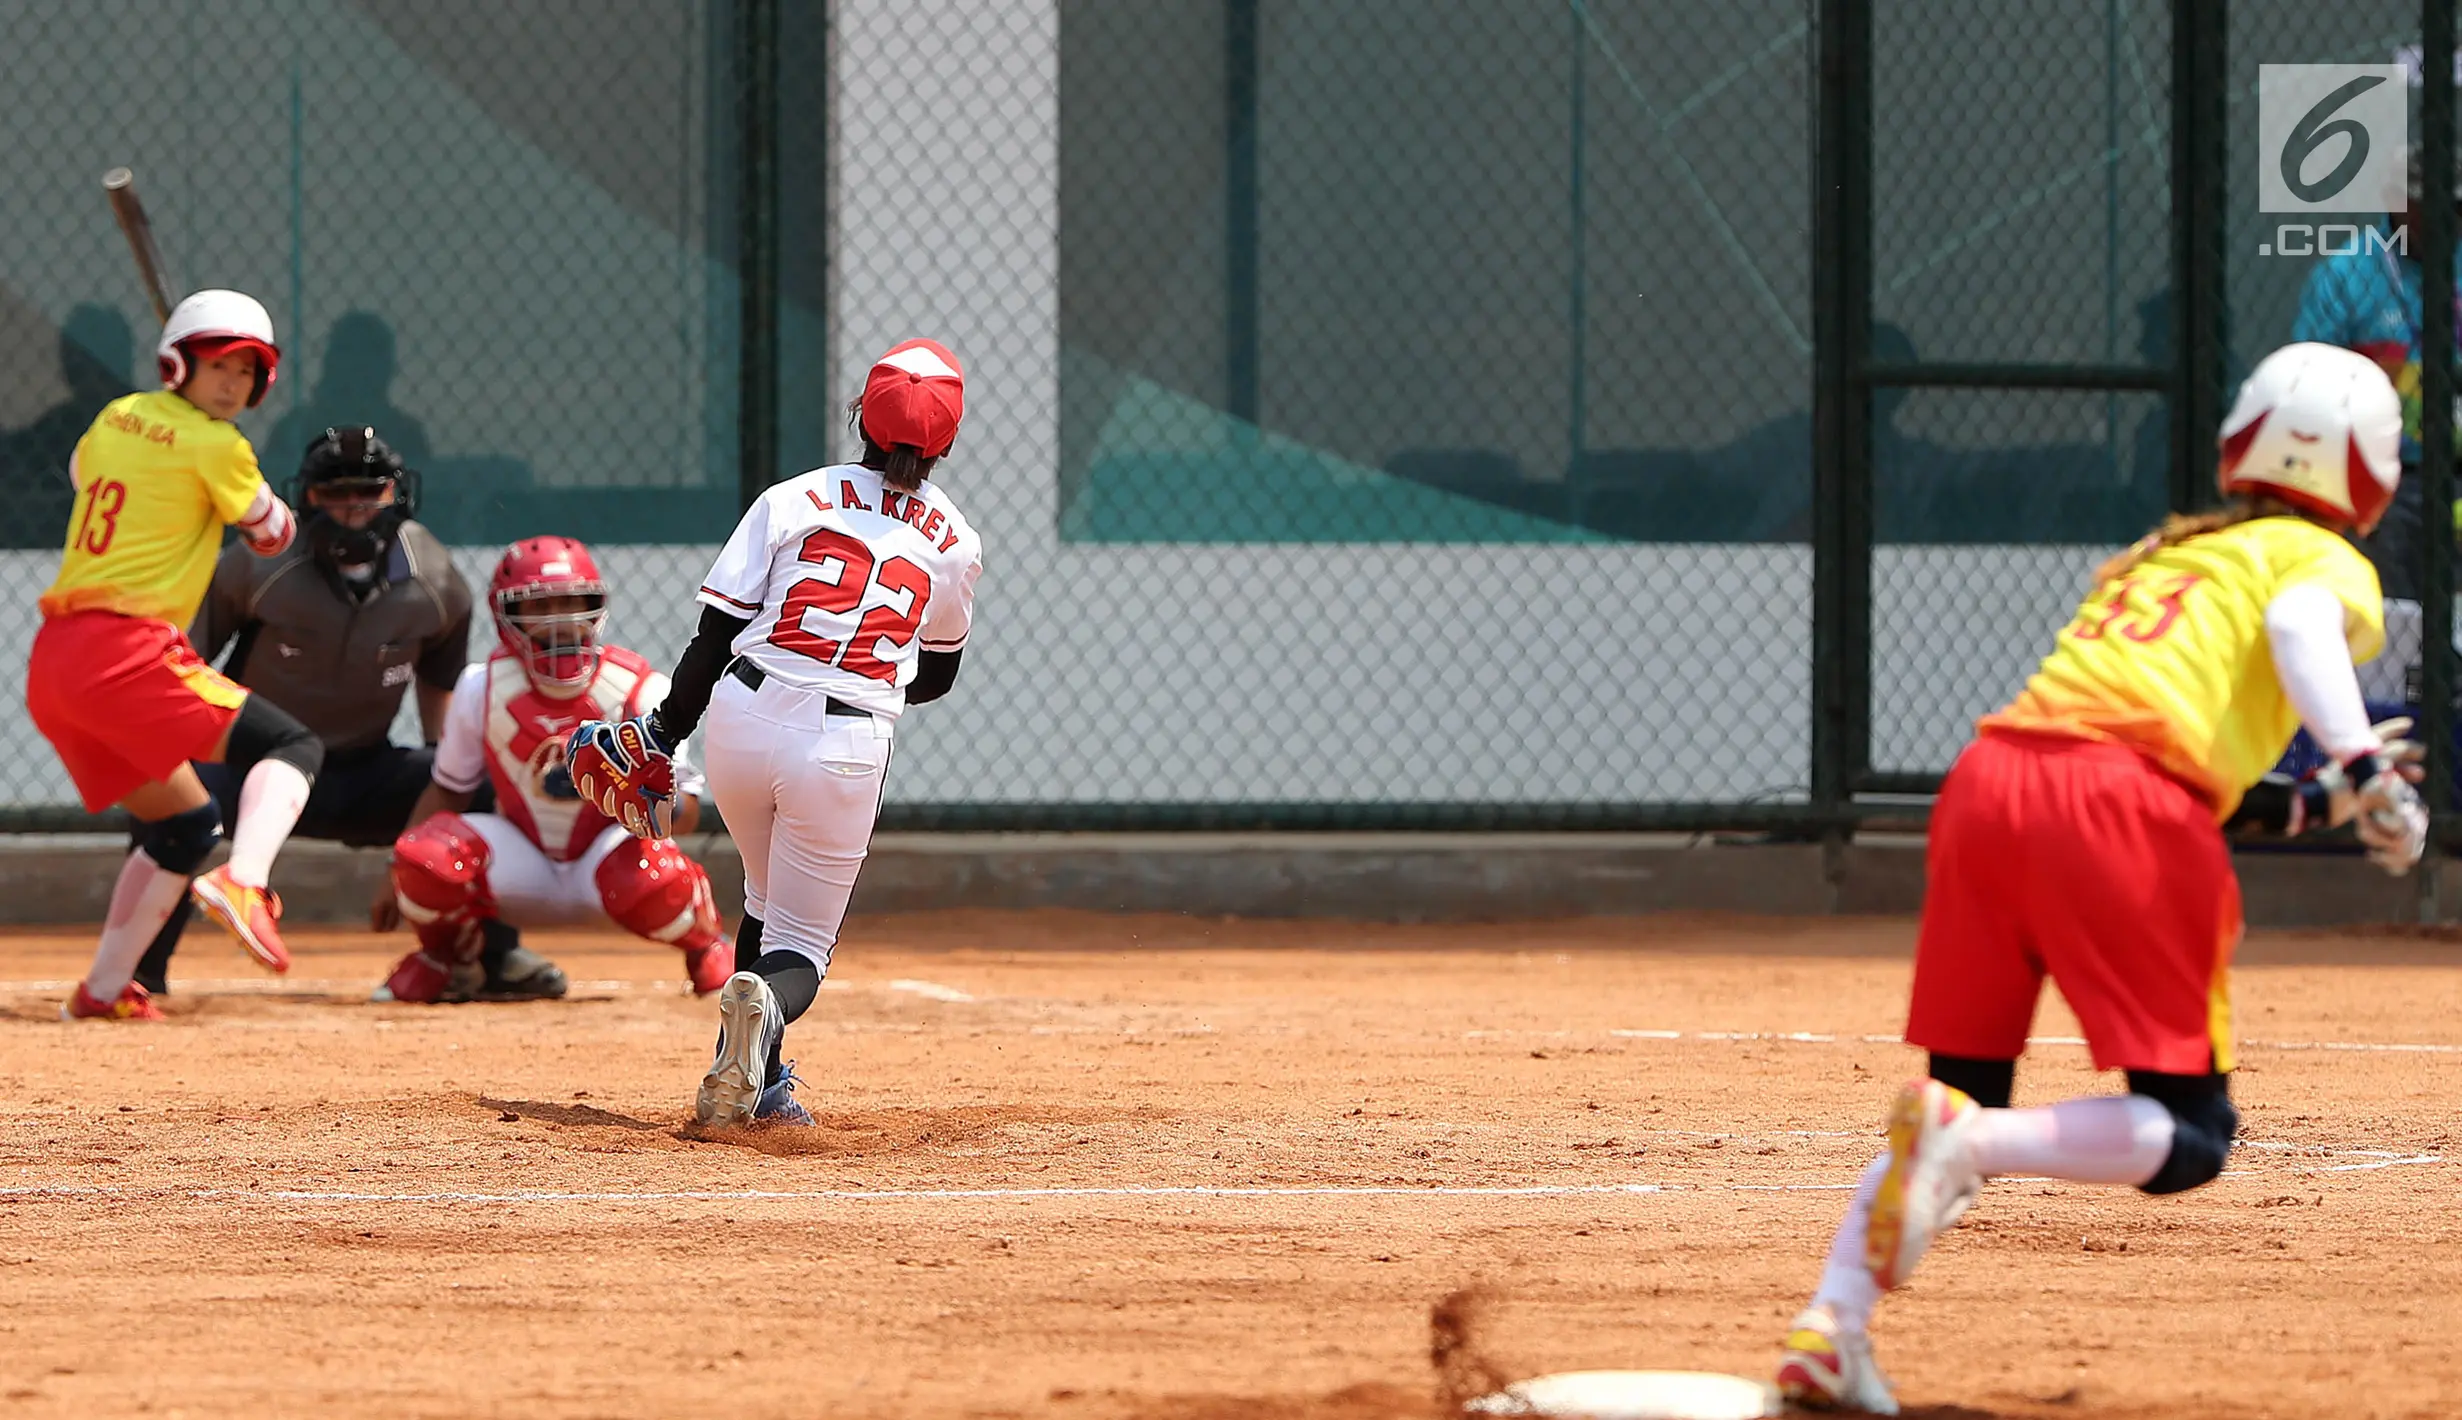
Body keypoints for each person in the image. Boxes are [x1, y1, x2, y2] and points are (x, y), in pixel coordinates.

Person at [1774, 342, 2428, 1413]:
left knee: (1952, 1091)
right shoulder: (2321, 565)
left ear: (2239, 446)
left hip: (1990, 788)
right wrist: (2359, 761)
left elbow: (2155, 725)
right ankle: (1966, 1147)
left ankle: (1829, 1327)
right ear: (2362, 472)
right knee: (2187, 1135)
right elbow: (2294, 627)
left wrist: (2318, 802)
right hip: (2117, 809)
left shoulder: (2167, 553)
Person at [568, 337, 983, 1128]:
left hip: (740, 719)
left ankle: (761, 1082)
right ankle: (765, 1002)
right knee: (800, 951)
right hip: (844, 743)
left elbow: (714, 635)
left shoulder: (794, 497)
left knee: (763, 895)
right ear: (947, 442)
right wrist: (868, 676)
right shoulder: (955, 538)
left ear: (860, 415)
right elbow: (935, 676)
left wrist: (660, 734)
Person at [132, 426, 566, 1001]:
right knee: (170, 796)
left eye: (369, 493)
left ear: (396, 495)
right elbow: (187, 660)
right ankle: (141, 966)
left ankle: (495, 953)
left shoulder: (434, 578)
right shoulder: (257, 566)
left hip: (363, 773)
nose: (354, 509)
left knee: (482, 786)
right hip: (254, 767)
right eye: (335, 494)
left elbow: (440, 701)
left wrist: (430, 829)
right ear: (306, 497)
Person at [28, 289, 325, 1020]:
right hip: (127, 649)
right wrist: (269, 506)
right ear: (177, 365)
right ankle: (245, 881)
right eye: (216, 364)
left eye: (243, 370)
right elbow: (271, 532)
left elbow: (82, 476)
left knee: (183, 827)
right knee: (293, 743)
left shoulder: (115, 417)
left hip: (57, 665)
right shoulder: (220, 446)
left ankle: (101, 992)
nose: (230, 382)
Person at [376, 536, 734, 1003]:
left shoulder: (640, 690)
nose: (562, 621)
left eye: (573, 602)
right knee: (427, 854)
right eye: (542, 606)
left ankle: (707, 946)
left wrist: (641, 795)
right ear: (507, 616)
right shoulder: (480, 688)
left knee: (654, 871)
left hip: (606, 857)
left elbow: (684, 816)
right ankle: (449, 959)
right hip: (523, 853)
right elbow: (448, 791)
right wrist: (395, 871)